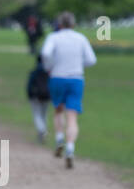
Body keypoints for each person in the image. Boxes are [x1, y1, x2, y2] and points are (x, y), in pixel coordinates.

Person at [40, 11, 97, 168]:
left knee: (58, 110)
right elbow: (91, 60)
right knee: (72, 117)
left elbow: (45, 52)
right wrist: (78, 64)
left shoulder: (54, 38)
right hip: (76, 78)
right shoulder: (81, 38)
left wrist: (49, 66)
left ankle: (59, 138)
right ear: (73, 24)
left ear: (59, 24)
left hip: (57, 77)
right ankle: (70, 148)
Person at [26, 54, 51, 142]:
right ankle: (43, 131)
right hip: (47, 96)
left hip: (35, 96)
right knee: (44, 115)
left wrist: (30, 95)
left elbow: (29, 85)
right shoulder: (50, 72)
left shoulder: (35, 72)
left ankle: (42, 130)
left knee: (37, 114)